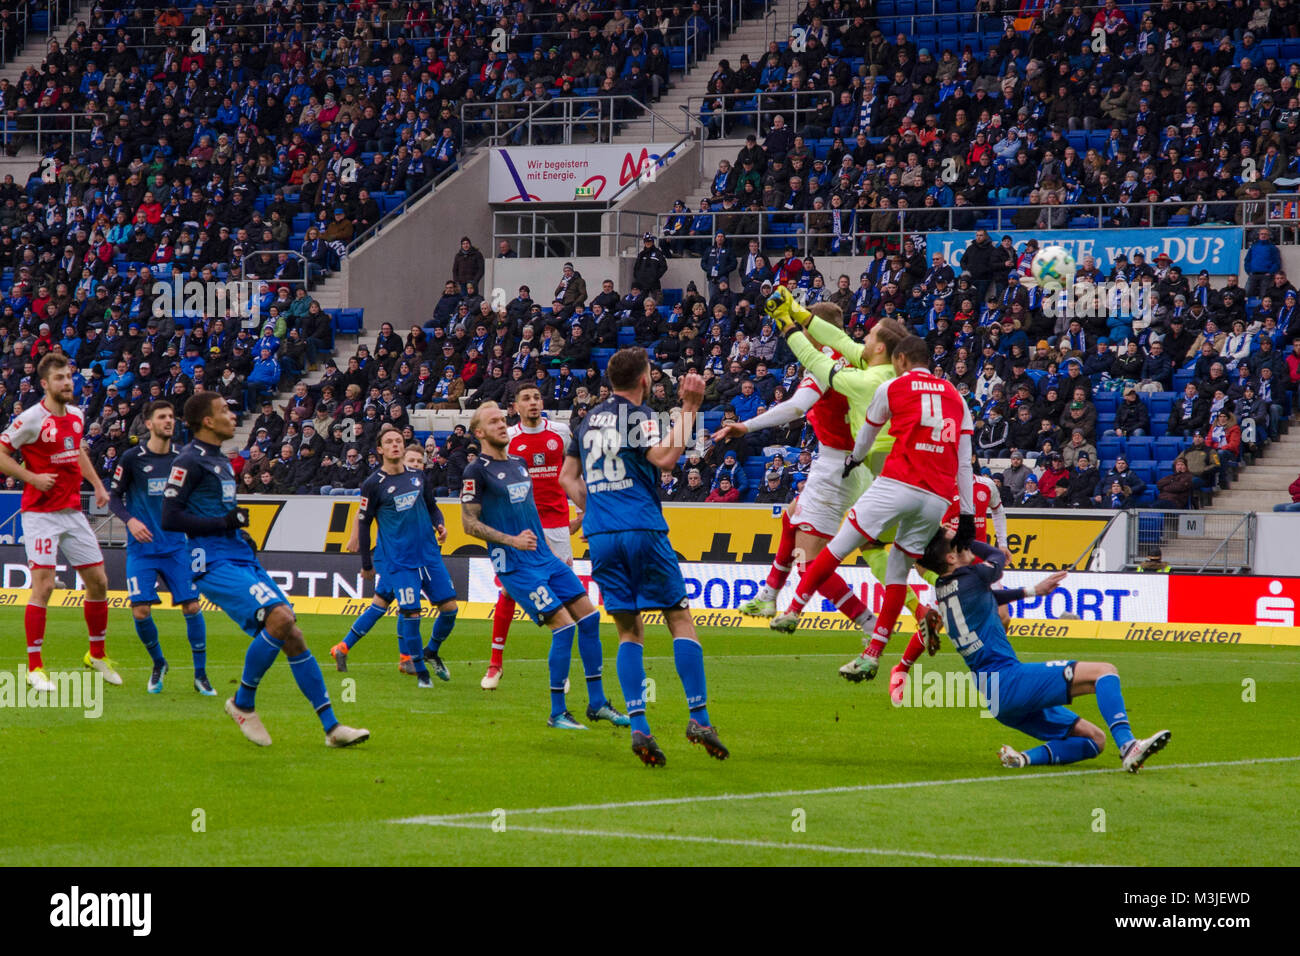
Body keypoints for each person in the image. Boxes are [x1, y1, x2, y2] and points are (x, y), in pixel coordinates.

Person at [773, 297, 975, 682]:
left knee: (837, 548)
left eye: (868, 338)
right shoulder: (956, 396)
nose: (862, 342)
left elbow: (863, 431)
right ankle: (874, 653)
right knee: (897, 570)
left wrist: (790, 326)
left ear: (898, 358)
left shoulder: (887, 385)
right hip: (935, 496)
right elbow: (964, 461)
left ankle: (793, 609)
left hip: (894, 480)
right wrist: (964, 517)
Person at [161, 392, 368, 748]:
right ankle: (242, 703)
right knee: (281, 618)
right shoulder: (188, 461)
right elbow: (170, 517)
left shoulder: (223, 461)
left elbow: (213, 511)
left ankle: (333, 728)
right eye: (224, 410)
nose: (232, 414)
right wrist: (224, 522)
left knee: (294, 636)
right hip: (211, 560)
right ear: (207, 421)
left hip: (238, 553)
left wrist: (235, 528)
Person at [560, 348, 729, 766]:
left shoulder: (585, 421)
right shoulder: (639, 415)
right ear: (643, 381)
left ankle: (639, 725)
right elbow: (665, 459)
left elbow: (567, 477)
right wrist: (690, 406)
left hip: (601, 535)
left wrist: (594, 507)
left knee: (628, 631)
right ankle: (699, 717)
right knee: (678, 618)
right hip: (642, 527)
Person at [918, 534, 1170, 772]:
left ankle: (1022, 758)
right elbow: (997, 556)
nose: (964, 546)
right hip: (1009, 681)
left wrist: (1032, 591)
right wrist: (969, 539)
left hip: (994, 695)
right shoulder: (972, 576)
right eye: (958, 545)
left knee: (1095, 740)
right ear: (951, 559)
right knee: (1105, 672)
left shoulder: (944, 587)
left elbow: (990, 596)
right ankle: (1128, 746)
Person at [464, 401, 629, 729]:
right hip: (515, 566)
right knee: (564, 627)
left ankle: (597, 703)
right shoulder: (476, 471)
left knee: (590, 619)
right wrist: (511, 541)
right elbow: (469, 524)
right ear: (479, 432)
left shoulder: (519, 463)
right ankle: (557, 712)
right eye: (493, 421)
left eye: (502, 419)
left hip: (545, 560)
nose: (501, 424)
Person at [0, 353, 118, 691]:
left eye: (69, 377)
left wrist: (96, 484)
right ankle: (34, 666)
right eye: (60, 379)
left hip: (72, 511)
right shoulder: (30, 419)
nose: (67, 383)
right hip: (40, 514)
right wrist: (31, 478)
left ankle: (96, 655)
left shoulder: (78, 414)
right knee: (45, 586)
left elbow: (77, 450)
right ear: (45, 384)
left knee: (98, 582)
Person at [107, 400, 211, 695]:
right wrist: (129, 521)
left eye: (172, 416)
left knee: (191, 605)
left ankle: (201, 675)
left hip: (178, 547)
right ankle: (159, 662)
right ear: (148, 423)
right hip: (142, 548)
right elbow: (114, 497)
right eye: (162, 417)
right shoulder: (131, 458)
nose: (169, 421)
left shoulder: (185, 458)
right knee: (140, 610)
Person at [343, 426, 459, 687]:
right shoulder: (372, 484)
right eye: (390, 442)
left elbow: (432, 508)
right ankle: (420, 672)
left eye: (399, 441)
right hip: (399, 561)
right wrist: (366, 563)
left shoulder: (419, 478)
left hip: (429, 556)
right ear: (380, 450)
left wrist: (440, 524)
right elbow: (363, 522)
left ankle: (431, 651)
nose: (396, 445)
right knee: (408, 613)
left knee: (450, 610)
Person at [481, 384, 577, 690]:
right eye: (526, 398)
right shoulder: (509, 438)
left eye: (537, 397)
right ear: (516, 407)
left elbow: (575, 472)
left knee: (567, 597)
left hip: (557, 523)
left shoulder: (561, 432)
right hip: (522, 525)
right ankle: (495, 665)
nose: (533, 402)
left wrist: (586, 514)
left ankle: (564, 671)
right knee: (509, 591)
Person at [332, 444, 430, 672]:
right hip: (392, 557)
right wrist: (355, 537)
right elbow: (362, 511)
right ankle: (406, 659)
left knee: (382, 604)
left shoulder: (419, 483)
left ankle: (343, 647)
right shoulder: (385, 483)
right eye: (412, 461)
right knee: (407, 604)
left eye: (419, 462)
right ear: (403, 460)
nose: (415, 465)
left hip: (410, 554)